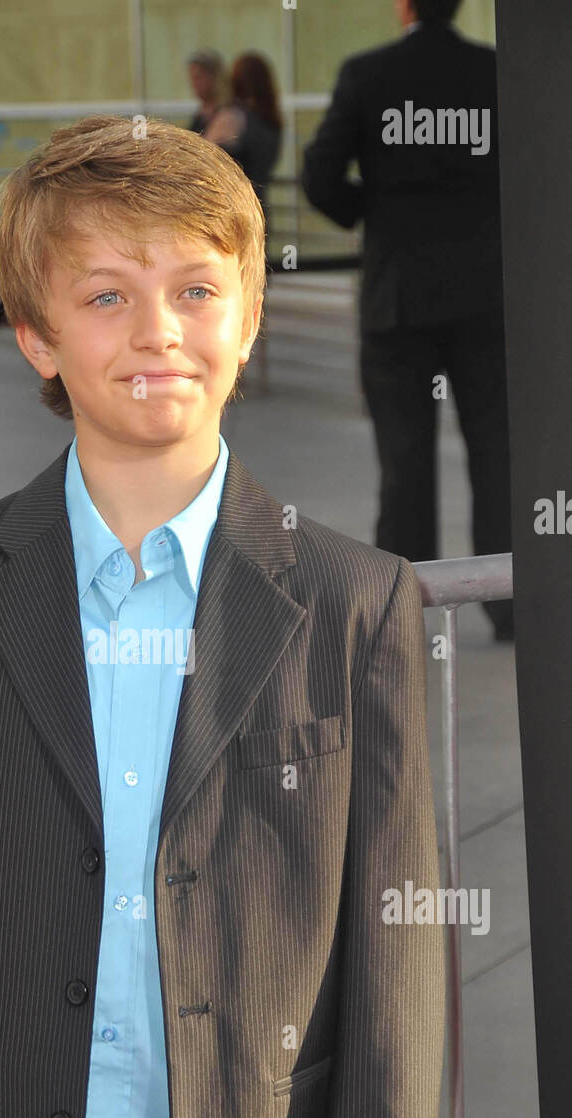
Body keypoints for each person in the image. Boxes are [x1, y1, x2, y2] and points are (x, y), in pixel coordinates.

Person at [0, 113, 445, 1118]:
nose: (159, 330)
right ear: (34, 336)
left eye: (197, 289)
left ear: (251, 315)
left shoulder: (355, 602)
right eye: (106, 296)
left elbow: (396, 976)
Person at [301, 0, 513, 641]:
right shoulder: (494, 73)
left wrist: (378, 208)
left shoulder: (369, 74)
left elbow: (319, 176)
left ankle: (404, 611)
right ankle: (508, 603)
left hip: (400, 298)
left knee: (404, 456)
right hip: (488, 295)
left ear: (405, 7)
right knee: (499, 457)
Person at [203, 52, 283, 238]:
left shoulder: (233, 117)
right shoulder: (272, 120)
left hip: (230, 212)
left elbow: (200, 159)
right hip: (259, 208)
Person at [186, 49, 230, 135]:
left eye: (198, 78)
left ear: (214, 77)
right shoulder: (201, 113)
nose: (194, 84)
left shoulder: (227, 113)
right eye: (192, 79)